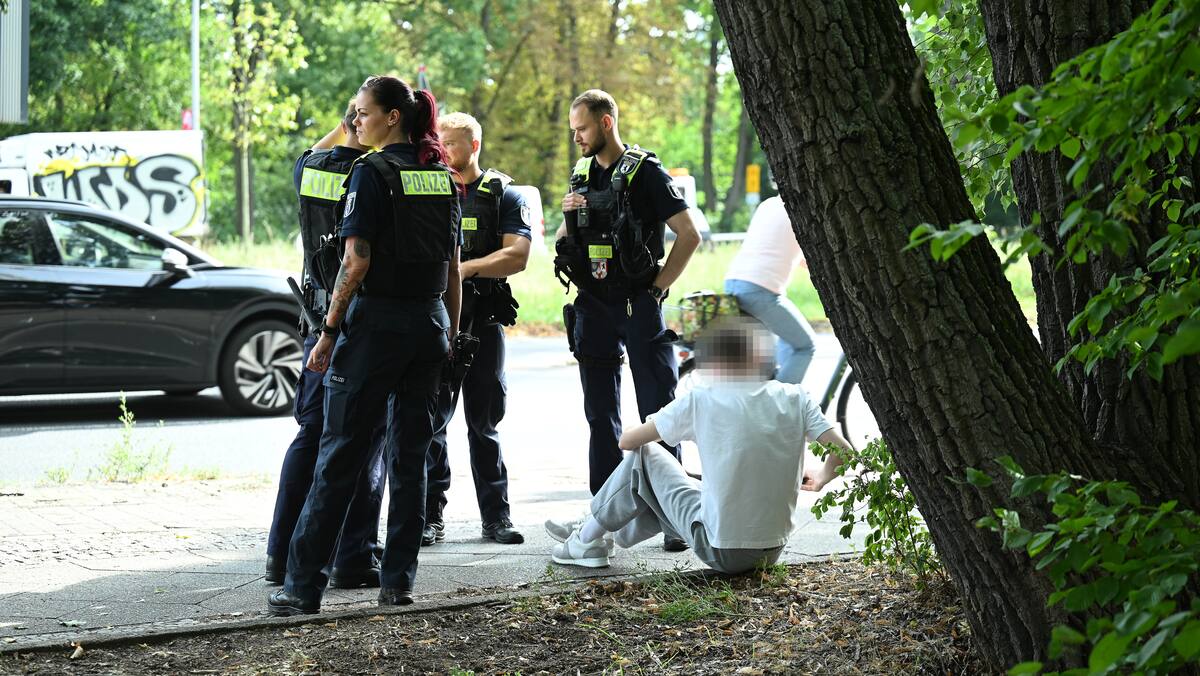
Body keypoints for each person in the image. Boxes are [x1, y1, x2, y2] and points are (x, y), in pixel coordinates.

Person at [268, 75, 461, 616]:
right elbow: (452, 270)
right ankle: (397, 583)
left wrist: (328, 331)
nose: (357, 123)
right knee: (410, 457)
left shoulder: (370, 173)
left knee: (340, 453)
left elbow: (356, 261)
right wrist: (448, 330)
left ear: (393, 116)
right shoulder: (440, 177)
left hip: (374, 328)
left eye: (364, 113)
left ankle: (301, 587)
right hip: (429, 325)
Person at [545, 317, 850, 572]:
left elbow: (628, 442)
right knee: (671, 485)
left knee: (645, 458)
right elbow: (844, 453)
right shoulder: (796, 398)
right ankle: (600, 529)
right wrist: (821, 477)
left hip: (720, 550)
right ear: (762, 359)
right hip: (773, 550)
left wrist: (665, 422)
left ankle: (586, 539)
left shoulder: (703, 399)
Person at [552, 89, 702, 552]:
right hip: (593, 304)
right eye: (574, 129)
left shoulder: (646, 173)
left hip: (639, 303)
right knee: (601, 416)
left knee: (659, 413)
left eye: (582, 128)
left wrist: (657, 288)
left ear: (607, 123)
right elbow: (563, 236)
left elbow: (689, 234)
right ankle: (602, 517)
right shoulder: (581, 174)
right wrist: (566, 218)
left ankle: (675, 519)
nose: (576, 137)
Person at [264, 101, 387, 590]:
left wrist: (344, 123)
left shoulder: (311, 167)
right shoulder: (375, 174)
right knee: (363, 439)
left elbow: (315, 149)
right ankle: (353, 557)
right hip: (356, 316)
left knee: (311, 433)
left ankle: (280, 554)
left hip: (316, 315)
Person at [423, 112, 531, 547]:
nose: (444, 151)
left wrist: (464, 270)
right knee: (432, 424)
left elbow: (517, 255)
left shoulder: (503, 193)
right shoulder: (429, 189)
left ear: (474, 145)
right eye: (439, 142)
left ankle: (496, 519)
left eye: (451, 144)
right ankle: (430, 517)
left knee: (484, 425)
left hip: (484, 322)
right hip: (440, 323)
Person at [724, 195, 816, 384]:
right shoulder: (800, 207)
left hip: (734, 282)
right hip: (759, 290)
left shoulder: (768, 205)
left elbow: (777, 246)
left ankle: (771, 388)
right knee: (805, 346)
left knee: (784, 343)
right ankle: (778, 405)